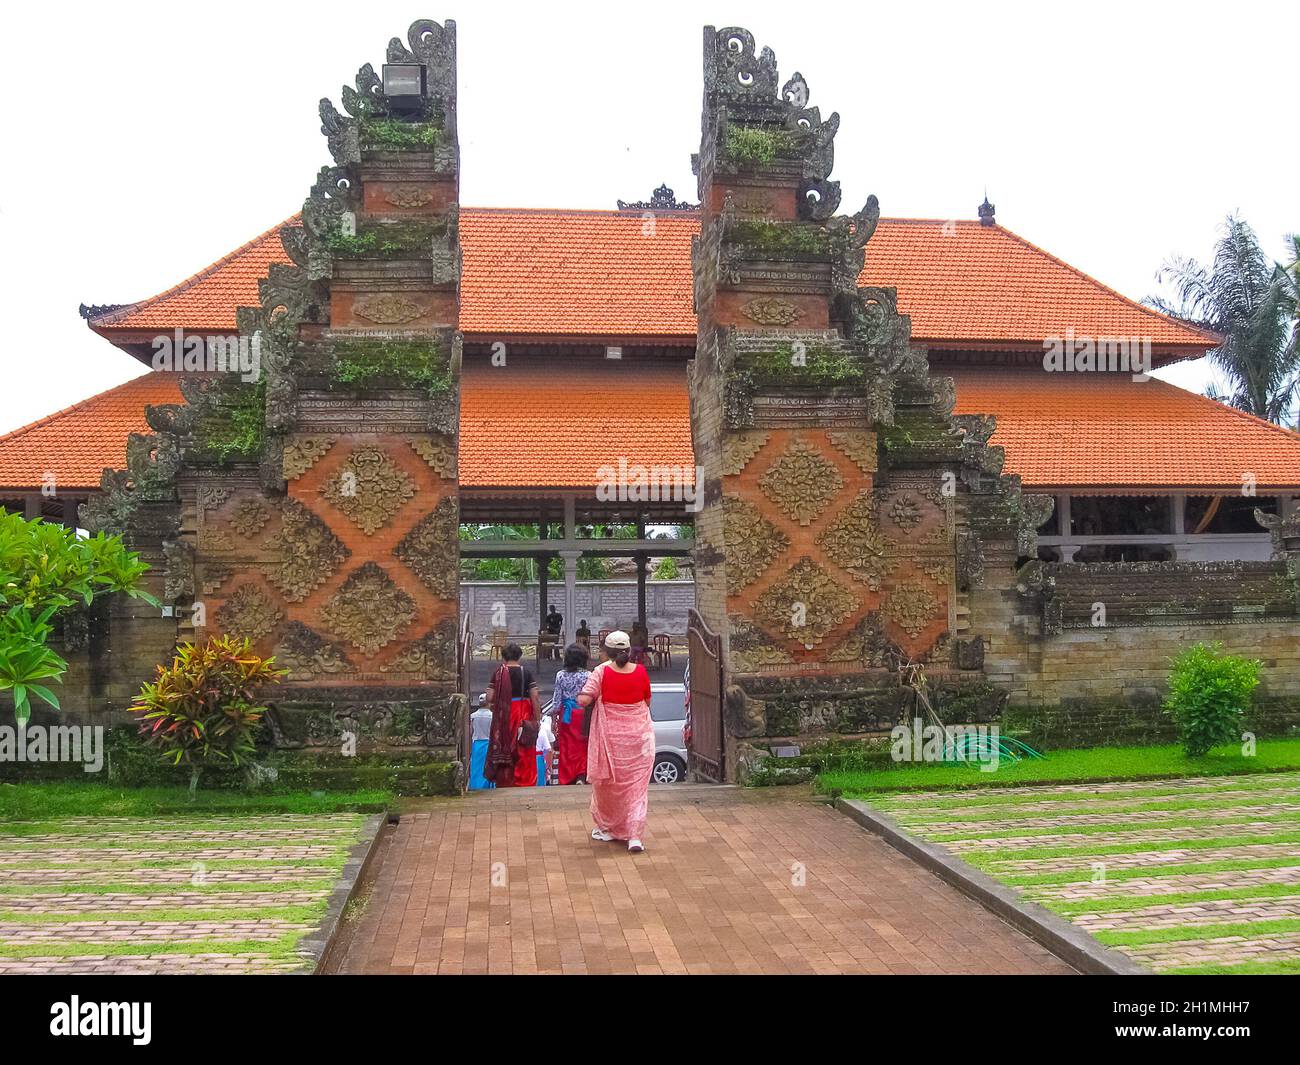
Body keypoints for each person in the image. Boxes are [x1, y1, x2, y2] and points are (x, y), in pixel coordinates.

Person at [577, 630, 654, 853]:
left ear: (606, 652)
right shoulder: (640, 671)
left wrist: (581, 695)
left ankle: (610, 828)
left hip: (612, 741)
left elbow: (584, 699)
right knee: (637, 789)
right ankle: (634, 836)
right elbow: (647, 701)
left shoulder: (600, 672)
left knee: (609, 787)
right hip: (640, 738)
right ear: (628, 651)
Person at [483, 642, 542, 787]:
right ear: (519, 656)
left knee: (505, 745)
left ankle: (506, 780)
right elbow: (534, 696)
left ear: (503, 657)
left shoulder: (498, 673)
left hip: (504, 713)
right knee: (524, 746)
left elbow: (489, 697)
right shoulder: (526, 673)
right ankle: (524, 780)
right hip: (523, 711)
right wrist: (537, 717)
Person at [549, 642, 592, 785]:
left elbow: (557, 700)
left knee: (566, 746)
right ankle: (581, 774)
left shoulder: (560, 675)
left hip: (567, 714)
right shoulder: (588, 675)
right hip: (583, 714)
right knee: (582, 745)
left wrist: (554, 719)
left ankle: (566, 777)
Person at [468, 695, 495, 790]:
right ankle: (487, 785)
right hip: (488, 744)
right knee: (487, 766)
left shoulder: (473, 716)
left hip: (477, 744)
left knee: (476, 767)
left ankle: (475, 785)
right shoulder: (492, 716)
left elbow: (470, 732)